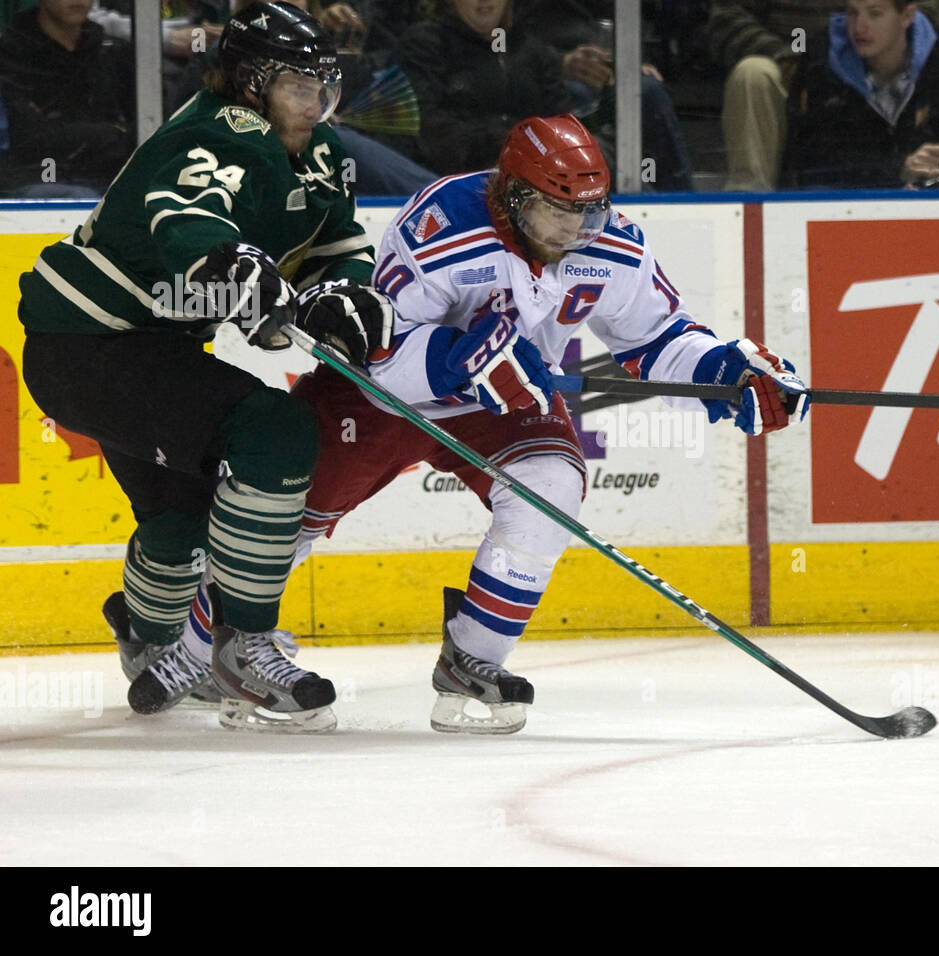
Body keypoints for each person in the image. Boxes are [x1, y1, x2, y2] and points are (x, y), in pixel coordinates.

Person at [168, 114, 811, 734]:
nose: (575, 229)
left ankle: (472, 658)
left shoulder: (609, 241)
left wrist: (724, 374)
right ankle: (204, 651)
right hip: (383, 397)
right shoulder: (443, 223)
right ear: (512, 195)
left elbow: (657, 337)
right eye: (558, 212)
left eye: (589, 211)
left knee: (552, 489)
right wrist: (458, 359)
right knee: (287, 516)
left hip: (506, 401)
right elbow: (380, 346)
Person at [19, 1, 392, 733]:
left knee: (183, 518)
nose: (314, 102)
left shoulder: (316, 152)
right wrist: (239, 268)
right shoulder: (213, 132)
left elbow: (336, 242)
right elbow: (189, 223)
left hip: (143, 346)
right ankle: (242, 646)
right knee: (274, 430)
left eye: (322, 85)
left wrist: (348, 294)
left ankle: (145, 630)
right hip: (91, 343)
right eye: (296, 85)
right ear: (251, 83)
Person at [782, 0, 939, 189]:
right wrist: (897, 171)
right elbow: (810, 163)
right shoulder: (820, 61)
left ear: (907, 16)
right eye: (852, 12)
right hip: (846, 206)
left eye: (875, 13)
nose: (859, 27)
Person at [515, 0, 696, 191]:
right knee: (580, 97)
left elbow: (621, 16)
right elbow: (508, 41)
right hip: (547, 76)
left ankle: (683, 201)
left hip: (602, 62)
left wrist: (631, 58)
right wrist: (560, 63)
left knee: (648, 91)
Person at [396, 0, 573, 175]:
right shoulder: (426, 43)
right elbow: (426, 123)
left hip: (532, 176)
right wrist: (498, 148)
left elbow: (560, 120)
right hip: (449, 177)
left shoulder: (530, 49)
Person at [0, 0, 134, 197]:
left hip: (110, 176)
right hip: (34, 180)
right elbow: (30, 137)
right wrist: (109, 134)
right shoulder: (10, 55)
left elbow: (148, 121)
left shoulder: (112, 51)